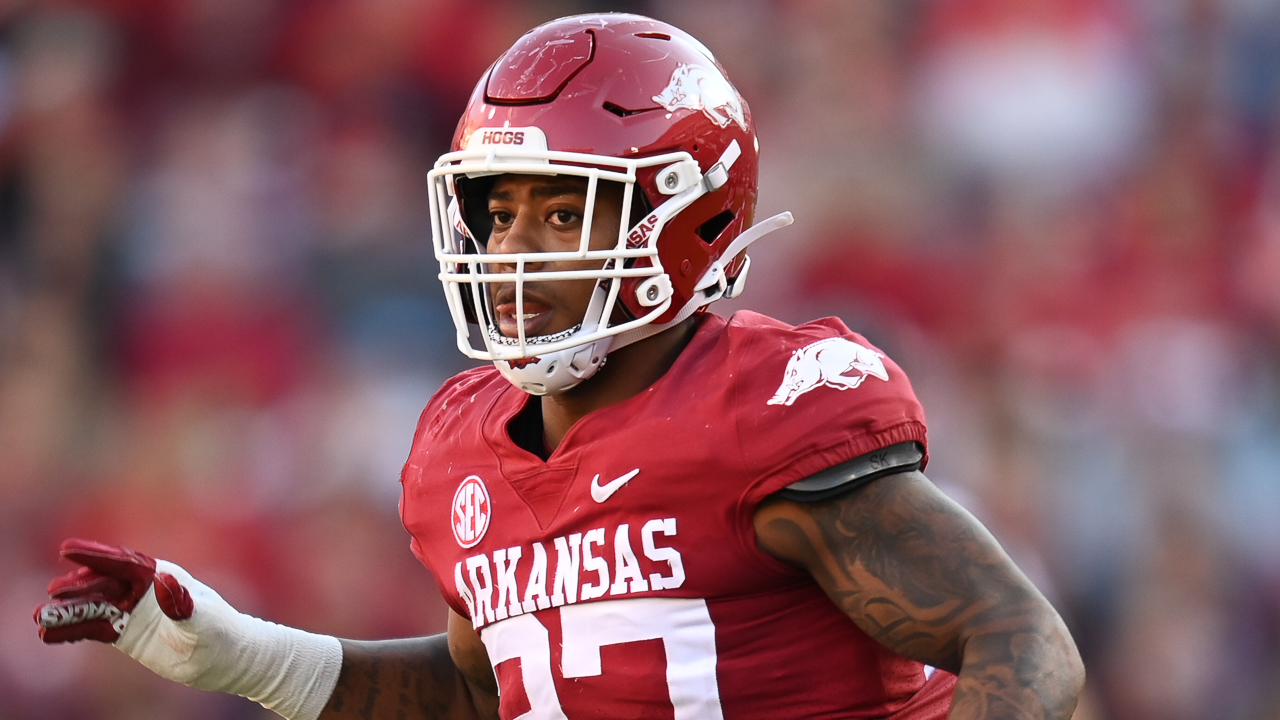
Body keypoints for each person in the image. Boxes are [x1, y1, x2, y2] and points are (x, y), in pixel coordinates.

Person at [34, 13, 1084, 720]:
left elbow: (1018, 641)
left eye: (563, 210)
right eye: (498, 213)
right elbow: (490, 689)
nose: (513, 250)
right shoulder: (461, 448)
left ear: (690, 213)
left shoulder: (761, 409)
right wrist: (237, 655)